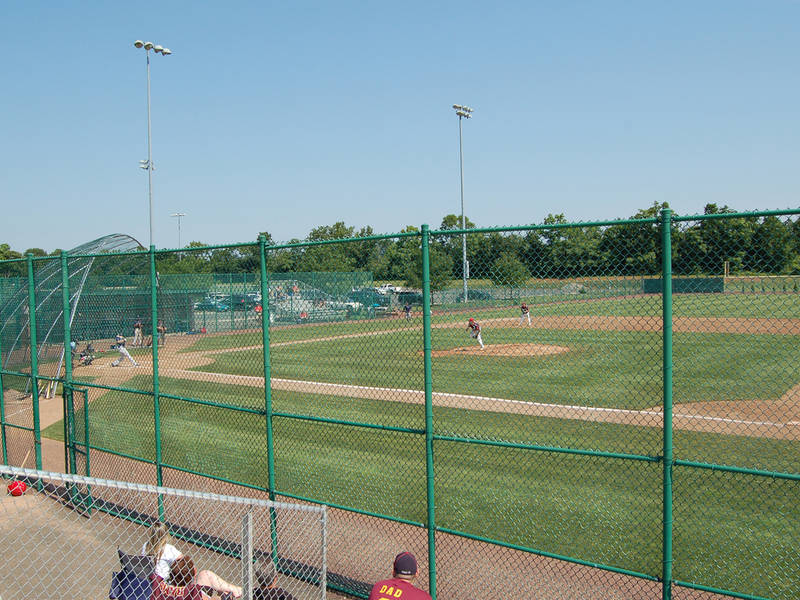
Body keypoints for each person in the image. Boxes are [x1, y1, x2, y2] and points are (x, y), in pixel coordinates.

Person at [144, 523, 243, 598]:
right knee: (204, 575)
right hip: (171, 585)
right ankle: (236, 591)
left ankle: (233, 591)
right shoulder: (168, 548)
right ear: (166, 535)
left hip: (153, 585)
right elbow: (186, 564)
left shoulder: (145, 546)